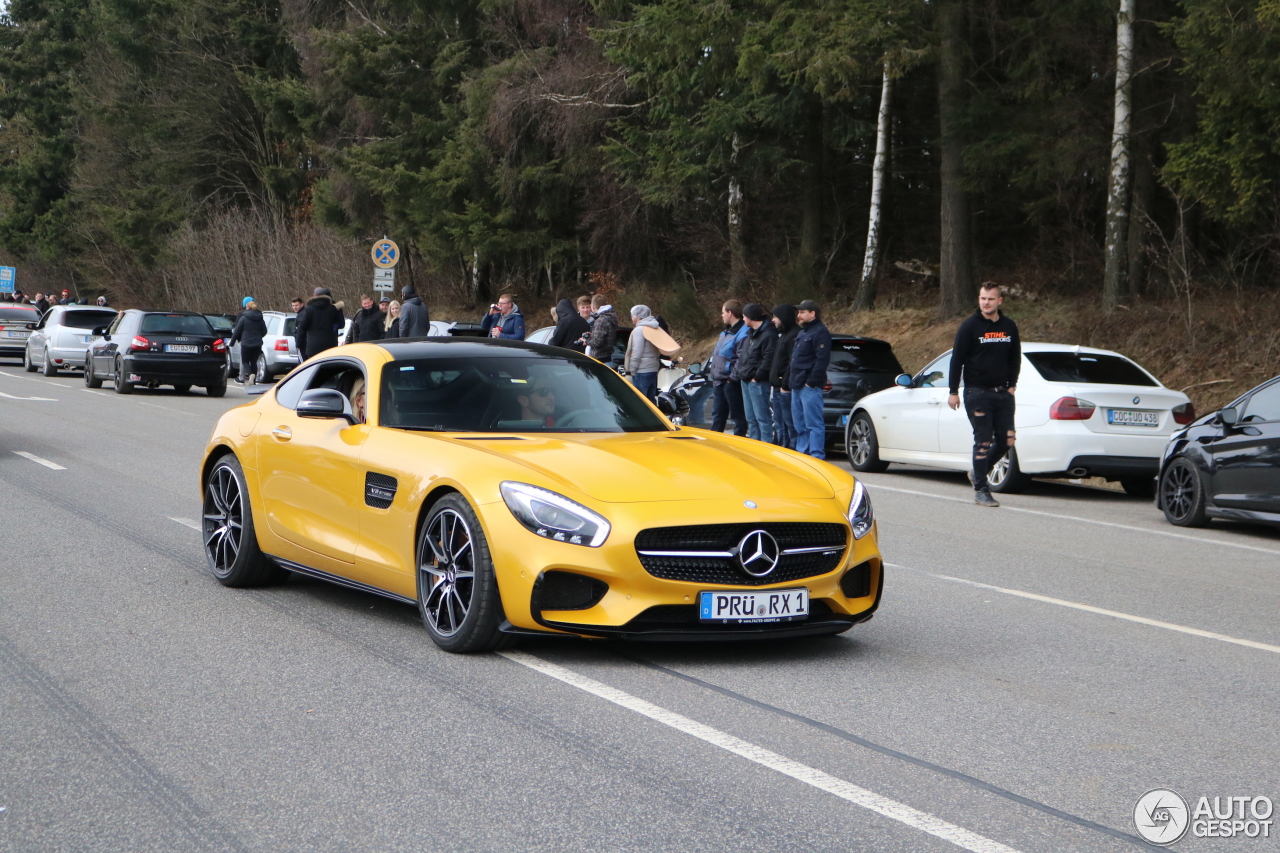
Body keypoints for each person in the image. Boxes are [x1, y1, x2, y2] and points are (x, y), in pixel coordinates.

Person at [948, 283, 1021, 508]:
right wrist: (953, 391)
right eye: (982, 298)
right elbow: (957, 359)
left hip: (1003, 394)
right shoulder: (969, 326)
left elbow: (1015, 357)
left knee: (1006, 441)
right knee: (983, 441)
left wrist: (1011, 386)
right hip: (977, 392)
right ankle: (981, 489)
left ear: (999, 301)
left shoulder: (1009, 326)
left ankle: (977, 472)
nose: (985, 303)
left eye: (990, 299)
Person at [789, 299, 832, 459]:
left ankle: (816, 455)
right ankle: (803, 454)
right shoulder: (803, 332)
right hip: (797, 384)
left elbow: (822, 360)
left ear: (812, 313)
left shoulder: (820, 332)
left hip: (809, 386)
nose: (799, 315)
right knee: (799, 424)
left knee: (813, 423)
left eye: (802, 312)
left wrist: (811, 381)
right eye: (798, 312)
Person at [737, 303, 777, 442]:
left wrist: (757, 376)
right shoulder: (751, 335)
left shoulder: (768, 335)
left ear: (751, 317)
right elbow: (745, 356)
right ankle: (754, 448)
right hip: (746, 380)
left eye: (744, 316)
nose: (742, 319)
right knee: (751, 419)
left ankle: (766, 447)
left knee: (762, 418)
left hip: (757, 382)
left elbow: (768, 358)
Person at [710, 300, 749, 436]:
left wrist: (732, 379)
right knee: (717, 416)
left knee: (738, 417)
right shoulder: (725, 332)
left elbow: (741, 359)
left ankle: (739, 443)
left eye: (723, 312)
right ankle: (714, 445)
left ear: (730, 313)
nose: (722, 316)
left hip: (731, 382)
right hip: (719, 381)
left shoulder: (743, 333)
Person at [769, 303, 800, 449]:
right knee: (780, 424)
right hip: (777, 387)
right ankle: (783, 449)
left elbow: (791, 363)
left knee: (790, 424)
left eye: (775, 317)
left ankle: (791, 451)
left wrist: (785, 385)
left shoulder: (794, 336)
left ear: (784, 317)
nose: (773, 320)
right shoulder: (783, 335)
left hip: (785, 389)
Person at [624, 305, 663, 401]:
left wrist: (632, 370)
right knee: (651, 400)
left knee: (640, 401)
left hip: (642, 370)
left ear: (637, 315)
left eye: (632, 315)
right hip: (653, 369)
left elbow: (636, 352)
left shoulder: (639, 330)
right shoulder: (655, 328)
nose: (631, 318)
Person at [294, 287, 345, 360]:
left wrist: (298, 344)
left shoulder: (309, 309)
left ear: (314, 295)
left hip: (313, 346)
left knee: (314, 367)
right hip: (330, 344)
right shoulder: (332, 309)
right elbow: (339, 324)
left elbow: (302, 327)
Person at [229, 299, 268, 384]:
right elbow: (264, 331)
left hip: (246, 343)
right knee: (254, 362)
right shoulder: (260, 318)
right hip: (257, 343)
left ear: (247, 307)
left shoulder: (244, 317)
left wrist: (232, 342)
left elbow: (237, 331)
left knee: (245, 361)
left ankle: (250, 374)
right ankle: (254, 381)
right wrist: (258, 336)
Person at [584, 295, 618, 361]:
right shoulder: (610, 317)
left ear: (593, 306)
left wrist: (586, 341)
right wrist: (593, 335)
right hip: (607, 357)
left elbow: (597, 342)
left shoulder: (601, 320)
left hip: (600, 359)